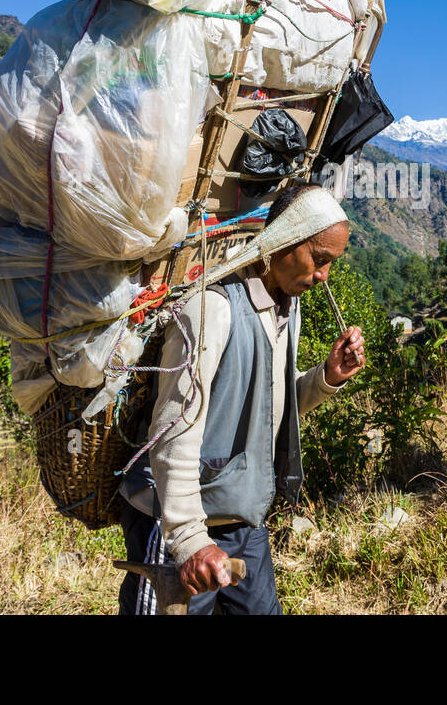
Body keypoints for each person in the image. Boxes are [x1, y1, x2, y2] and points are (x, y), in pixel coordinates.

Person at [116, 183, 365, 614]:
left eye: (330, 264)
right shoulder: (211, 309)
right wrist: (190, 541)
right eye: (319, 259)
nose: (324, 274)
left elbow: (266, 410)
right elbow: (173, 431)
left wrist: (326, 378)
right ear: (286, 239)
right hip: (177, 523)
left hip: (242, 522)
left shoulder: (285, 308)